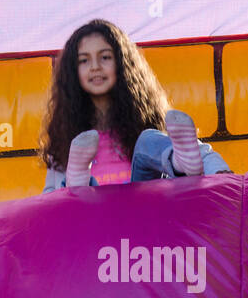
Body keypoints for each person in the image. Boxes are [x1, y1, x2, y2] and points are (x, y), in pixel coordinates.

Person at [38, 19, 231, 192]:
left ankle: (177, 162)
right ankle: (77, 186)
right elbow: (49, 198)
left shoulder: (145, 122)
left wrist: (223, 174)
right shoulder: (66, 141)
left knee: (148, 139)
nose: (95, 66)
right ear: (73, 71)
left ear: (122, 64)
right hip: (93, 220)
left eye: (105, 57)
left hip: (145, 215)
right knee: (75, 159)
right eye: (84, 60)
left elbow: (202, 154)